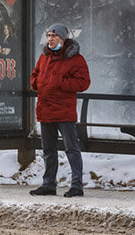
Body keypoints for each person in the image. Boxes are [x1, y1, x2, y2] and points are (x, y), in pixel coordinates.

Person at [30, 23, 90, 197]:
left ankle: (77, 186)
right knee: (48, 150)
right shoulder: (44, 57)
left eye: (54, 36)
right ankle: (49, 184)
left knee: (71, 149)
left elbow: (83, 82)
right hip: (45, 110)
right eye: (48, 35)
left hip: (64, 111)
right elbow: (35, 74)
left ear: (63, 39)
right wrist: (36, 83)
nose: (50, 39)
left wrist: (61, 84)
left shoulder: (76, 59)